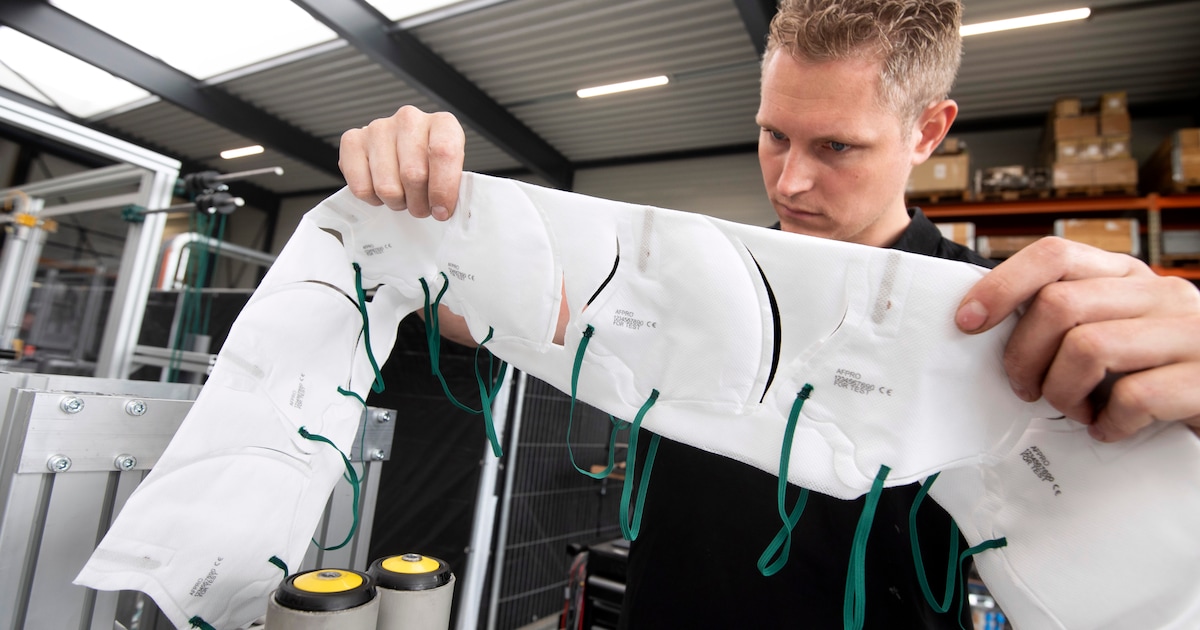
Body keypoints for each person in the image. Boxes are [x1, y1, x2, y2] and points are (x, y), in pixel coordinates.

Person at [338, 0, 1200, 626]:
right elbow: (498, 309)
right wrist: (419, 214)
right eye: (773, 134)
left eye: (836, 147)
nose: (789, 181)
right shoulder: (693, 279)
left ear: (929, 131)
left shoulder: (1006, 327)